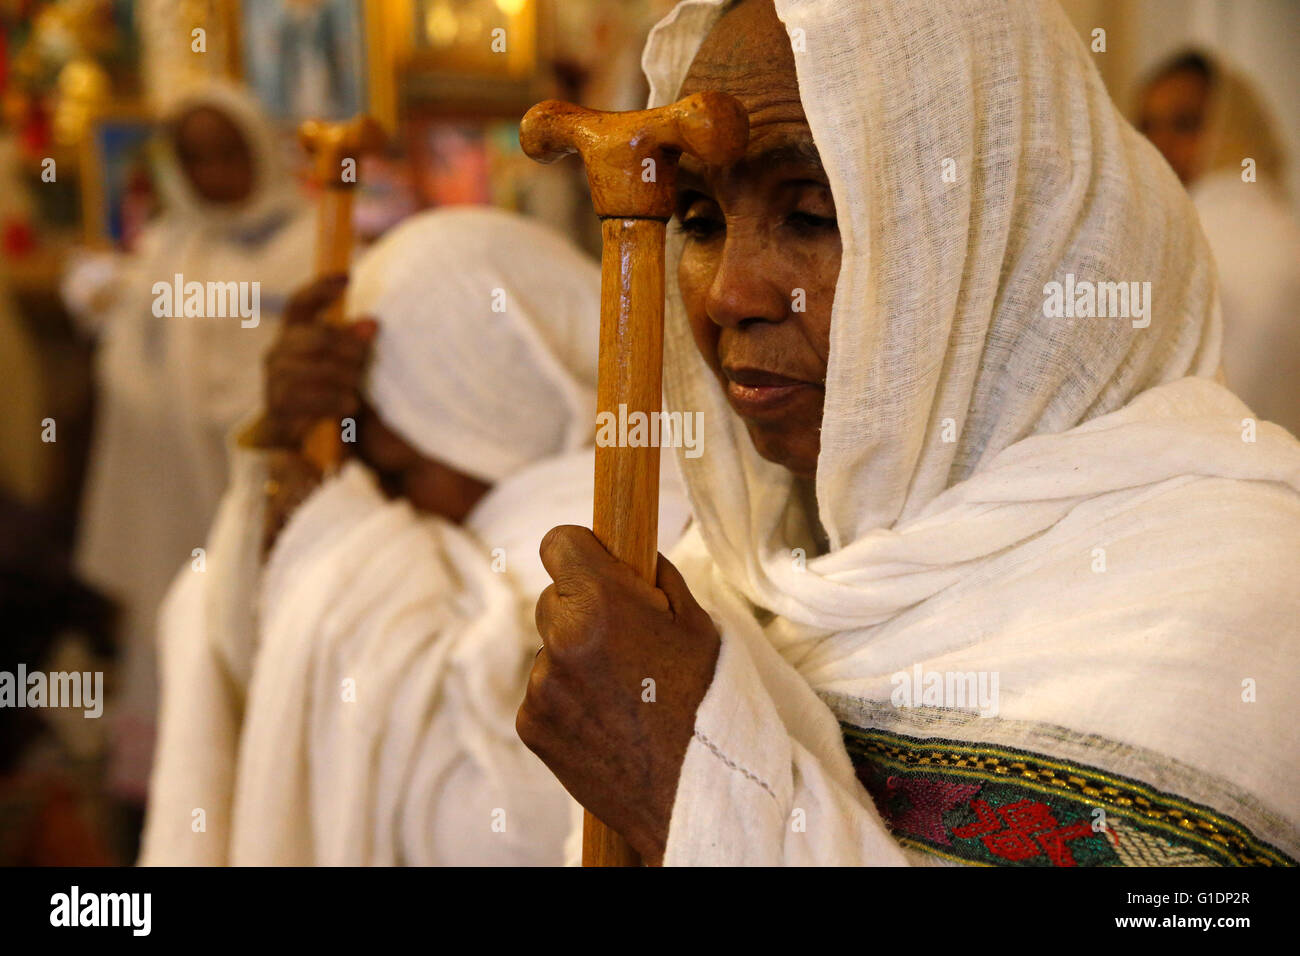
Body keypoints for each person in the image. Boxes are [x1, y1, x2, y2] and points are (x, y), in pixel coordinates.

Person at [517, 0, 1300, 866]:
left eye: (812, 214)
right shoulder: (722, 578)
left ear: (1006, 232)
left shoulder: (1240, 610)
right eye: (700, 221)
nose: (726, 294)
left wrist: (692, 791)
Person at [140, 206, 691, 865]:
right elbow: (232, 638)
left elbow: (498, 830)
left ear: (500, 418)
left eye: (401, 469)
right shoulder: (459, 521)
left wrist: (341, 547)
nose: (380, 495)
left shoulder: (647, 534)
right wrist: (287, 443)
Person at [63, 80, 315, 809]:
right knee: (179, 639)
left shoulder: (311, 240)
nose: (214, 176)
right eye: (195, 160)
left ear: (258, 152)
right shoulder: (173, 246)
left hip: (272, 494)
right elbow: (112, 321)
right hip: (175, 500)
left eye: (227, 155)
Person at [1138, 50, 1300, 436]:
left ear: (1236, 128)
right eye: (1146, 125)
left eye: (1186, 124)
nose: (1160, 143)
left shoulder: (1205, 232)